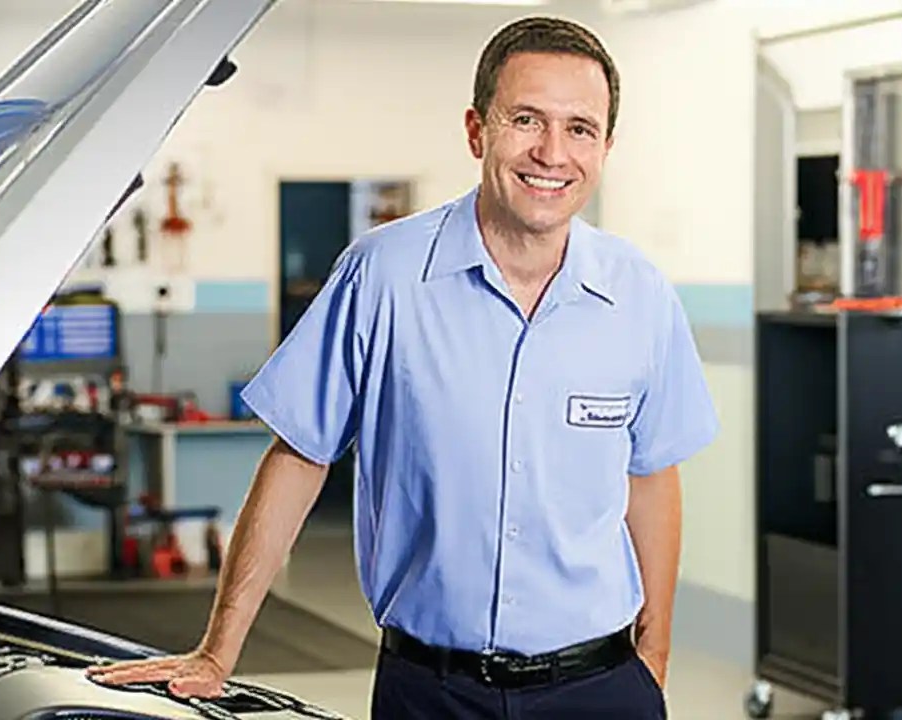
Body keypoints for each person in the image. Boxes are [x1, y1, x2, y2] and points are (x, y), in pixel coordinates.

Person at [87, 15, 718, 719]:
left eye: (580, 128)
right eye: (526, 120)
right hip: (430, 694)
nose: (551, 152)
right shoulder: (381, 276)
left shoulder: (640, 295)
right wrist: (217, 651)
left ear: (605, 146)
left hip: (600, 691)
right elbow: (299, 457)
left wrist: (653, 658)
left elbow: (652, 475)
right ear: (478, 131)